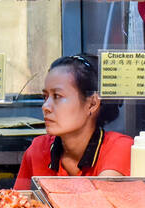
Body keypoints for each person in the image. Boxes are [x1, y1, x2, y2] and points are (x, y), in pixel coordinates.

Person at [14, 54, 131, 189]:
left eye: (57, 96)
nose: (45, 107)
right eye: (45, 97)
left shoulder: (120, 147)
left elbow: (98, 202)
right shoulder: (37, 150)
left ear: (92, 104)